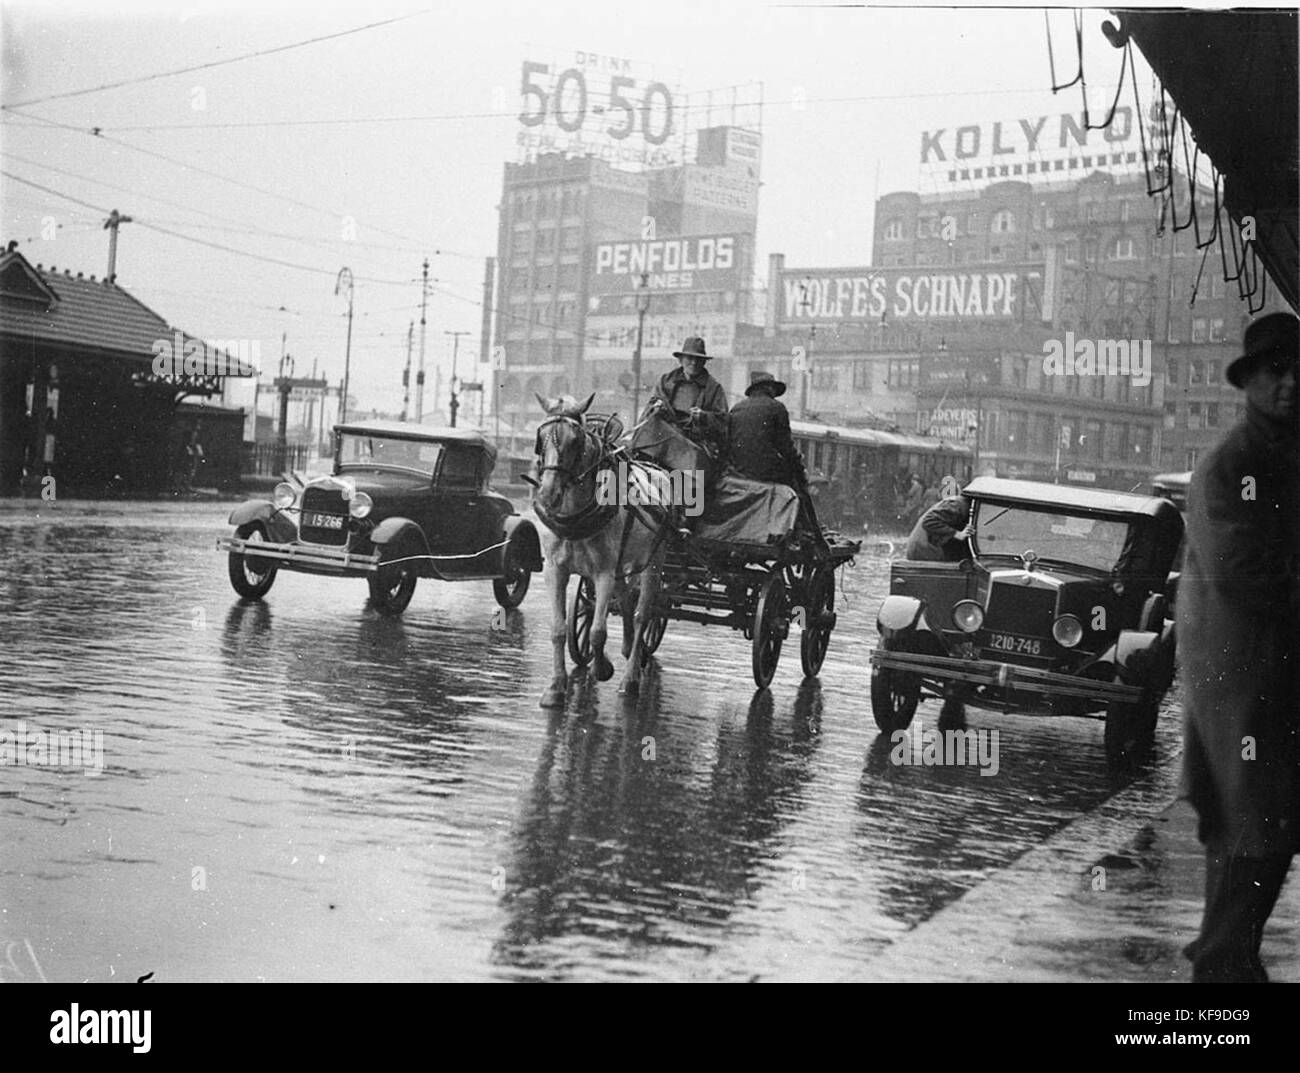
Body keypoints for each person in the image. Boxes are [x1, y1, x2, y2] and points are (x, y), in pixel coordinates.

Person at [1178, 311, 1299, 983]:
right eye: (1275, 371)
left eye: (1298, 371)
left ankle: (1230, 961)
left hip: (1279, 676)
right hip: (1241, 680)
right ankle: (1223, 971)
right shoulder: (1232, 464)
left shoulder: (1286, 455)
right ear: (1250, 380)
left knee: (1270, 827)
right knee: (1248, 823)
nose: (1289, 384)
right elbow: (1240, 570)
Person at [727, 371, 825, 545]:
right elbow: (786, 447)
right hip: (767, 471)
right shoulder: (777, 408)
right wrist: (799, 470)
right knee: (800, 490)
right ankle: (808, 533)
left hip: (740, 470)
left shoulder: (737, 408)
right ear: (768, 388)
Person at [644, 336, 729, 458]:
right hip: (664, 441)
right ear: (681, 359)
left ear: (704, 362)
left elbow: (723, 422)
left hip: (695, 446)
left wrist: (704, 416)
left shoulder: (713, 389)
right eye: (690, 358)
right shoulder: (666, 381)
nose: (694, 363)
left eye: (698, 359)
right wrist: (656, 408)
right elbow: (650, 409)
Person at [904, 493, 973, 562]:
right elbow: (929, 521)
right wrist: (956, 533)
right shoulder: (959, 506)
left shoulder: (962, 504)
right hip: (924, 550)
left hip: (929, 547)